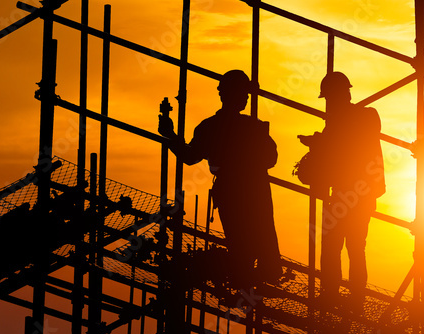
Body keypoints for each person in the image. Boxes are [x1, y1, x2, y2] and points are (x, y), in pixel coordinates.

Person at [158, 69, 282, 284]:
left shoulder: (211, 127)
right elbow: (271, 159)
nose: (246, 98)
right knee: (260, 242)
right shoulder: (251, 126)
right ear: (232, 95)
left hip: (234, 191)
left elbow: (190, 156)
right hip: (253, 189)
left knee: (242, 245)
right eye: (243, 94)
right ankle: (256, 284)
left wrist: (171, 136)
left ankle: (247, 281)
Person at [299, 71, 385, 302]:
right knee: (352, 248)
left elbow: (344, 144)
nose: (327, 104)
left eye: (328, 99)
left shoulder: (361, 117)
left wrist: (317, 142)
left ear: (339, 96)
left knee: (337, 247)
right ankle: (350, 297)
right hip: (357, 194)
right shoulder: (355, 118)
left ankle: (333, 296)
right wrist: (319, 141)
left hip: (350, 194)